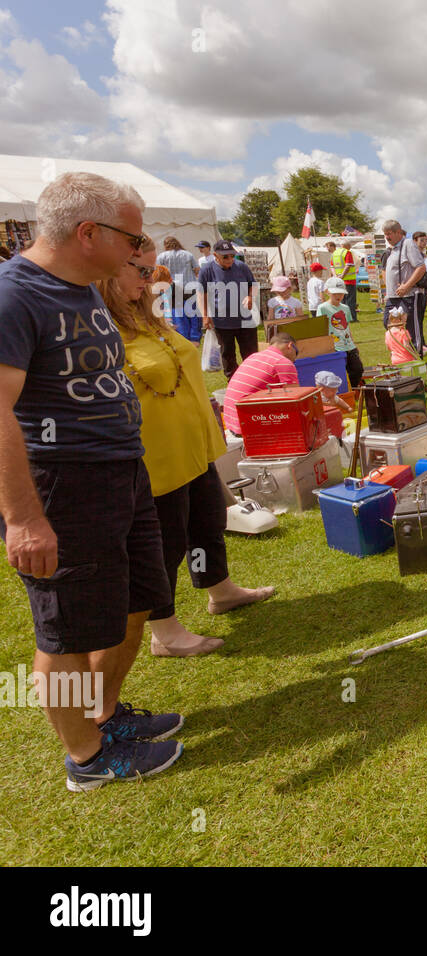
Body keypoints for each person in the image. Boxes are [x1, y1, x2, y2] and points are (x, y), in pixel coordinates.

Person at [0, 171, 183, 790]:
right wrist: (24, 517)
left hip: (120, 475)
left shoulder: (82, 288)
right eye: (132, 239)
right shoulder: (14, 295)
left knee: (137, 602)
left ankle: (101, 716)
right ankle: (86, 757)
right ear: (88, 233)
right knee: (64, 625)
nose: (139, 252)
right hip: (62, 486)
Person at [97, 235, 273, 658]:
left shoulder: (150, 316)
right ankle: (165, 631)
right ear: (108, 275)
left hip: (192, 448)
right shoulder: (100, 328)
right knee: (165, 543)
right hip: (155, 459)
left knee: (206, 523)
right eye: (142, 272)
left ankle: (220, 589)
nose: (153, 281)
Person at [199, 238, 259, 379]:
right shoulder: (207, 270)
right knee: (228, 357)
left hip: (245, 320)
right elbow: (202, 294)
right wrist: (205, 315)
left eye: (232, 255)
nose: (230, 259)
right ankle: (234, 385)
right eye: (225, 256)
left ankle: (255, 381)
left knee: (251, 355)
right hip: (222, 322)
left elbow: (253, 285)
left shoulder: (241, 266)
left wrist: (250, 297)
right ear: (215, 255)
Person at [222, 333, 300, 436]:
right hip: (249, 426)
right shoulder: (282, 362)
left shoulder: (253, 356)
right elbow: (296, 400)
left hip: (232, 423)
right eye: (296, 352)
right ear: (290, 346)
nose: (295, 359)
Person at [381, 220, 427, 350]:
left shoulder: (408, 244)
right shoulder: (392, 250)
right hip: (393, 297)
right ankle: (401, 355)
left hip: (409, 296)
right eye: (385, 234)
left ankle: (416, 359)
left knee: (412, 329)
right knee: (388, 323)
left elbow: (420, 267)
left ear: (399, 232)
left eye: (389, 233)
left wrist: (406, 286)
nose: (387, 237)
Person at [318, 277, 364, 388]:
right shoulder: (322, 308)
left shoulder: (346, 308)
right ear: (328, 292)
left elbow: (347, 327)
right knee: (339, 371)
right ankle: (344, 391)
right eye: (335, 293)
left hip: (348, 345)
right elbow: (321, 329)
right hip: (335, 346)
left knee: (358, 368)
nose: (339, 296)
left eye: (341, 293)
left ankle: (352, 389)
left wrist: (353, 343)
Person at [156, 236, 200, 341]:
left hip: (171, 288)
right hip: (189, 286)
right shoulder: (188, 254)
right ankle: (194, 337)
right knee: (192, 314)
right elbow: (197, 270)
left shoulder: (162, 256)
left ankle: (182, 336)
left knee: (177, 314)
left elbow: (157, 272)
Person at [332, 240, 359, 320]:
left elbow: (332, 267)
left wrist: (336, 276)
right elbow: (348, 265)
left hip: (339, 281)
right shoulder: (347, 252)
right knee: (350, 300)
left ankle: (342, 318)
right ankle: (352, 318)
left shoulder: (335, 253)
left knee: (341, 300)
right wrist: (342, 276)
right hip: (349, 281)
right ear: (347, 246)